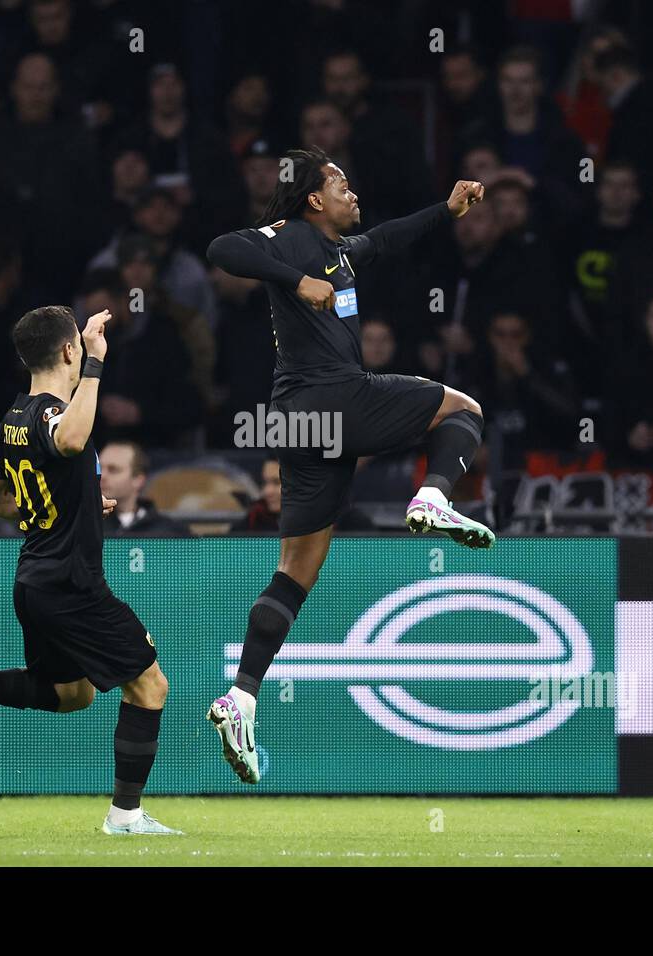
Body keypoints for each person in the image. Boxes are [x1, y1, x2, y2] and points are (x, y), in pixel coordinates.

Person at [204, 145, 492, 784]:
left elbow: (387, 238)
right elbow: (223, 248)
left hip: (300, 424)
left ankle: (241, 698)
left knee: (295, 572)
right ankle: (433, 496)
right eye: (341, 185)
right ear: (314, 198)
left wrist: (445, 210)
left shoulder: (340, 251)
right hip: (328, 397)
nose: (352, 193)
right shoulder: (291, 237)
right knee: (464, 409)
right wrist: (292, 279)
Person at [0, 305, 180, 836]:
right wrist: (98, 363)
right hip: (70, 583)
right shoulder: (54, 414)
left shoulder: (13, 417)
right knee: (150, 686)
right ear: (69, 350)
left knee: (72, 695)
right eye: (79, 346)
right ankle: (125, 817)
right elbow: (71, 439)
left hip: (34, 581)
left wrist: (76, 505)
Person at [99, 441, 191, 536]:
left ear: (138, 480)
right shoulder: (91, 525)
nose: (102, 476)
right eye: (99, 469)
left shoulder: (170, 532)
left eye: (113, 470)